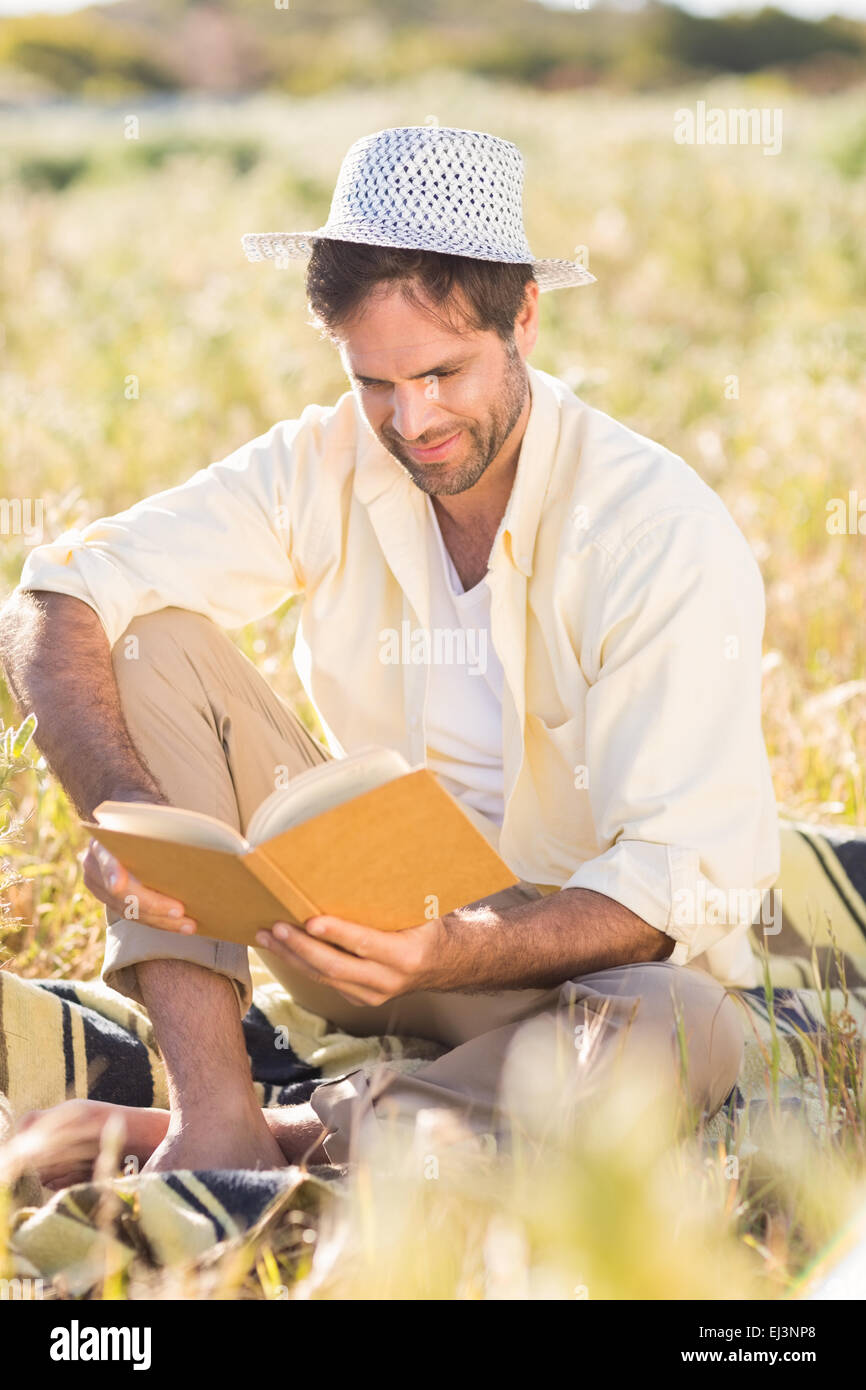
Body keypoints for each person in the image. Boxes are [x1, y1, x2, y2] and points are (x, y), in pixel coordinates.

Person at [0, 125, 779, 1179]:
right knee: (140, 639)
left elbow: (673, 886)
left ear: (526, 320)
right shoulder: (326, 456)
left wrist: (456, 945)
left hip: (572, 971)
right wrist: (126, 817)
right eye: (375, 381)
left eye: (443, 373)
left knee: (683, 1032)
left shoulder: (653, 531)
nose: (412, 422)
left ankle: (280, 1141)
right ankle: (213, 1115)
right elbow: (52, 594)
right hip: (348, 932)